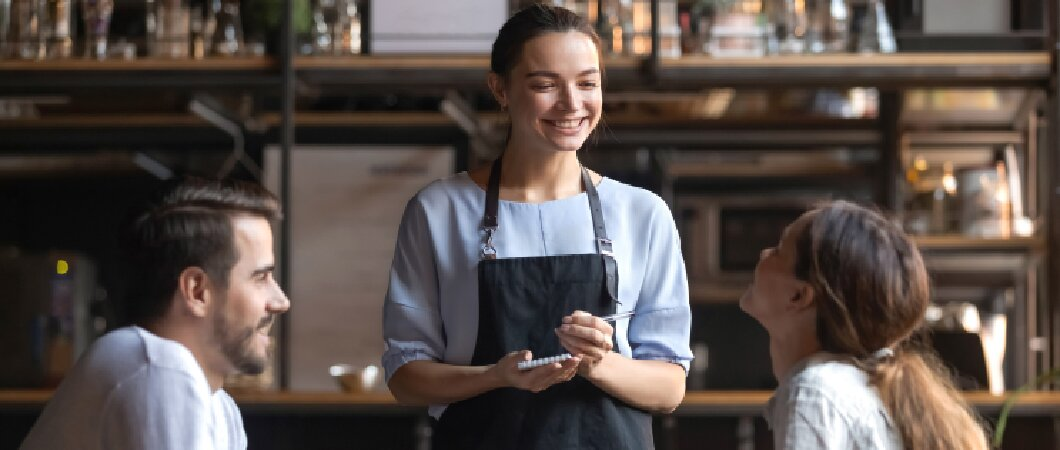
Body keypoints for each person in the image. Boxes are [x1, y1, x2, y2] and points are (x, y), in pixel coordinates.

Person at [381, 4, 692, 449]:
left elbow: (669, 387)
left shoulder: (643, 213)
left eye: (588, 83)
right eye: (546, 85)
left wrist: (597, 363)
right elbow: (406, 377)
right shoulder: (439, 211)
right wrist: (495, 376)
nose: (571, 104)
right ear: (500, 89)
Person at [20, 177, 290, 450]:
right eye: (261, 277)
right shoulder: (161, 369)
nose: (281, 301)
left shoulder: (218, 405)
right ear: (197, 291)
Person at [740, 200, 989, 450]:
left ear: (799, 296)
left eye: (779, 251)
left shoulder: (814, 392)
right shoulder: (848, 386)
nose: (764, 253)